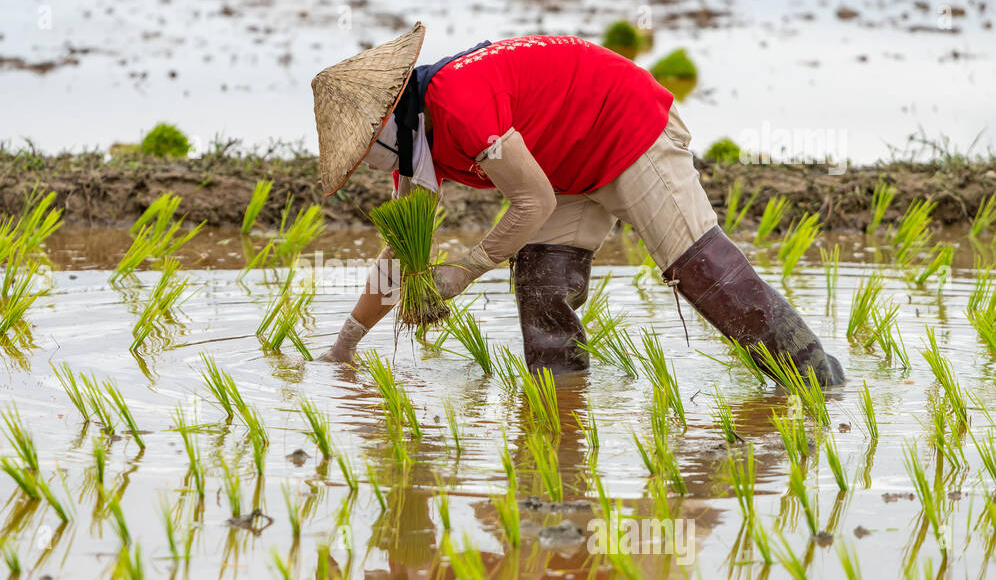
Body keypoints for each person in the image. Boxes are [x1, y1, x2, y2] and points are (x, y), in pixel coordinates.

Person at [310, 22, 844, 387]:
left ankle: (821, 381)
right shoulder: (414, 144)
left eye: (360, 156)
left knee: (702, 273)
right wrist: (344, 346)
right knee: (542, 285)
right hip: (567, 166)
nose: (365, 168)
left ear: (383, 125)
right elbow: (400, 255)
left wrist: (464, 271)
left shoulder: (458, 104)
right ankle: (563, 413)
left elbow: (531, 200)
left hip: (626, 131)